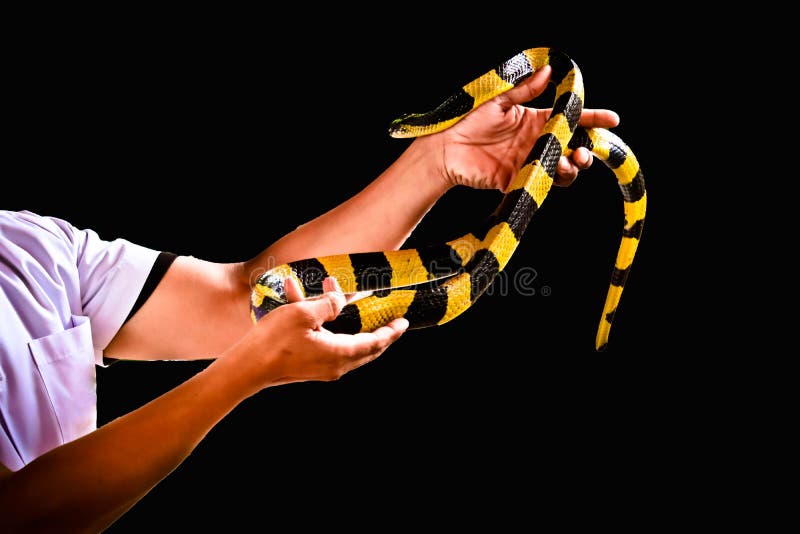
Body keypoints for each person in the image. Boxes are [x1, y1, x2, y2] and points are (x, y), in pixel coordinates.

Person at [0, 65, 619, 532]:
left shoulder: (28, 245)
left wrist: (438, 157)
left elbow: (245, 295)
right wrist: (244, 374)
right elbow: (17, 515)